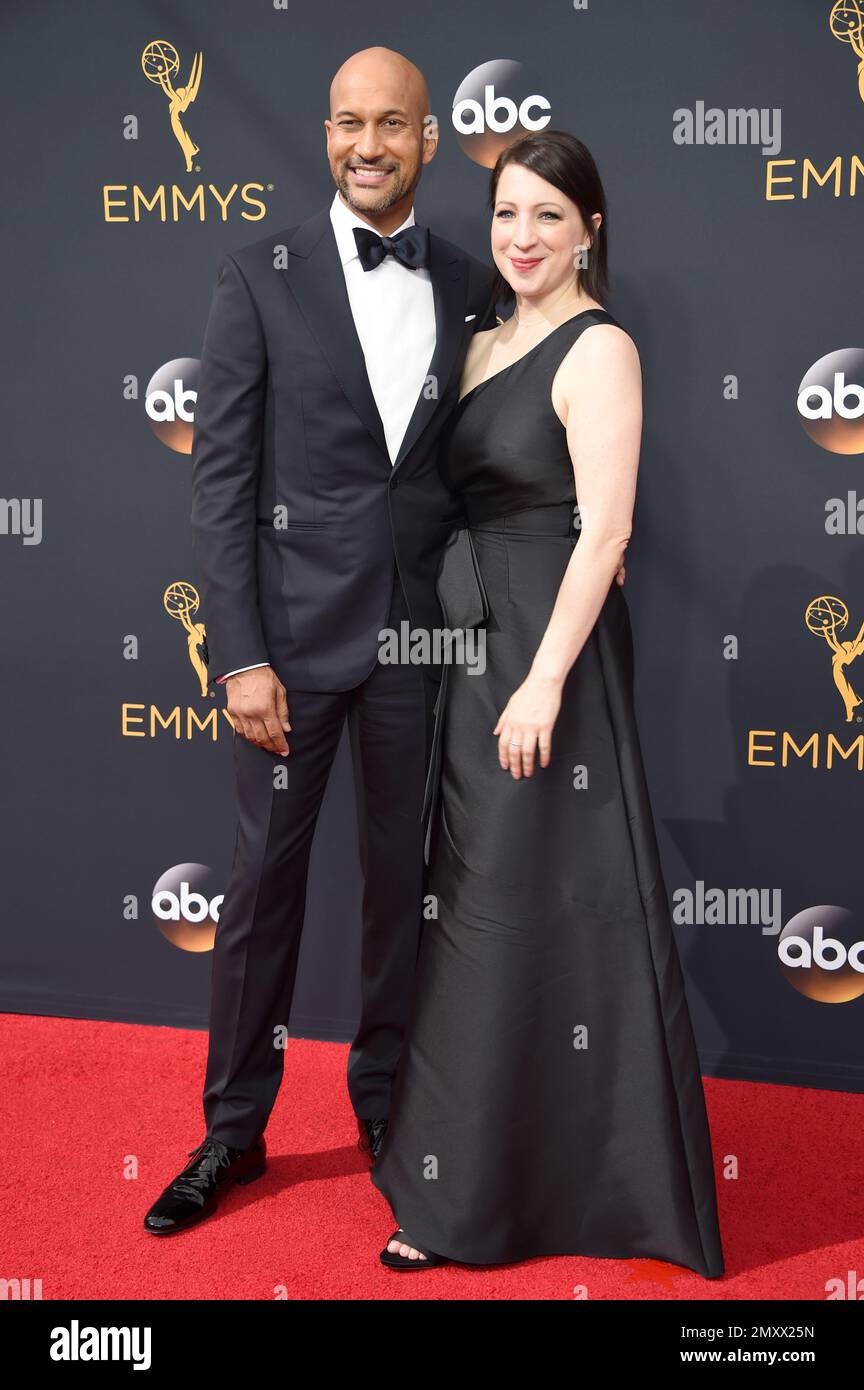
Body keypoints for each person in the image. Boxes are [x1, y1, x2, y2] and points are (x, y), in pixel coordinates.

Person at [142, 46, 503, 1236]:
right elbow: (223, 484)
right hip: (285, 656)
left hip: (415, 650)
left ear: (428, 139)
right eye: (347, 122)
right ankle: (232, 1131)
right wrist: (238, 653)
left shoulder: (467, 283)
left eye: (389, 125)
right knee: (262, 892)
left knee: (404, 888)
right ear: (327, 129)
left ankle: (390, 1108)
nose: (365, 145)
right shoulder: (259, 276)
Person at [372, 130, 725, 1280]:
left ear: (591, 229)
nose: (522, 238)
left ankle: (517, 1200)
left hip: (548, 668)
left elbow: (608, 529)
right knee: (471, 912)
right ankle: (464, 1180)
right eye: (507, 213)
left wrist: (540, 679)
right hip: (473, 654)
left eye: (548, 217)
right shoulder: (479, 341)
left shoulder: (600, 347)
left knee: (528, 917)